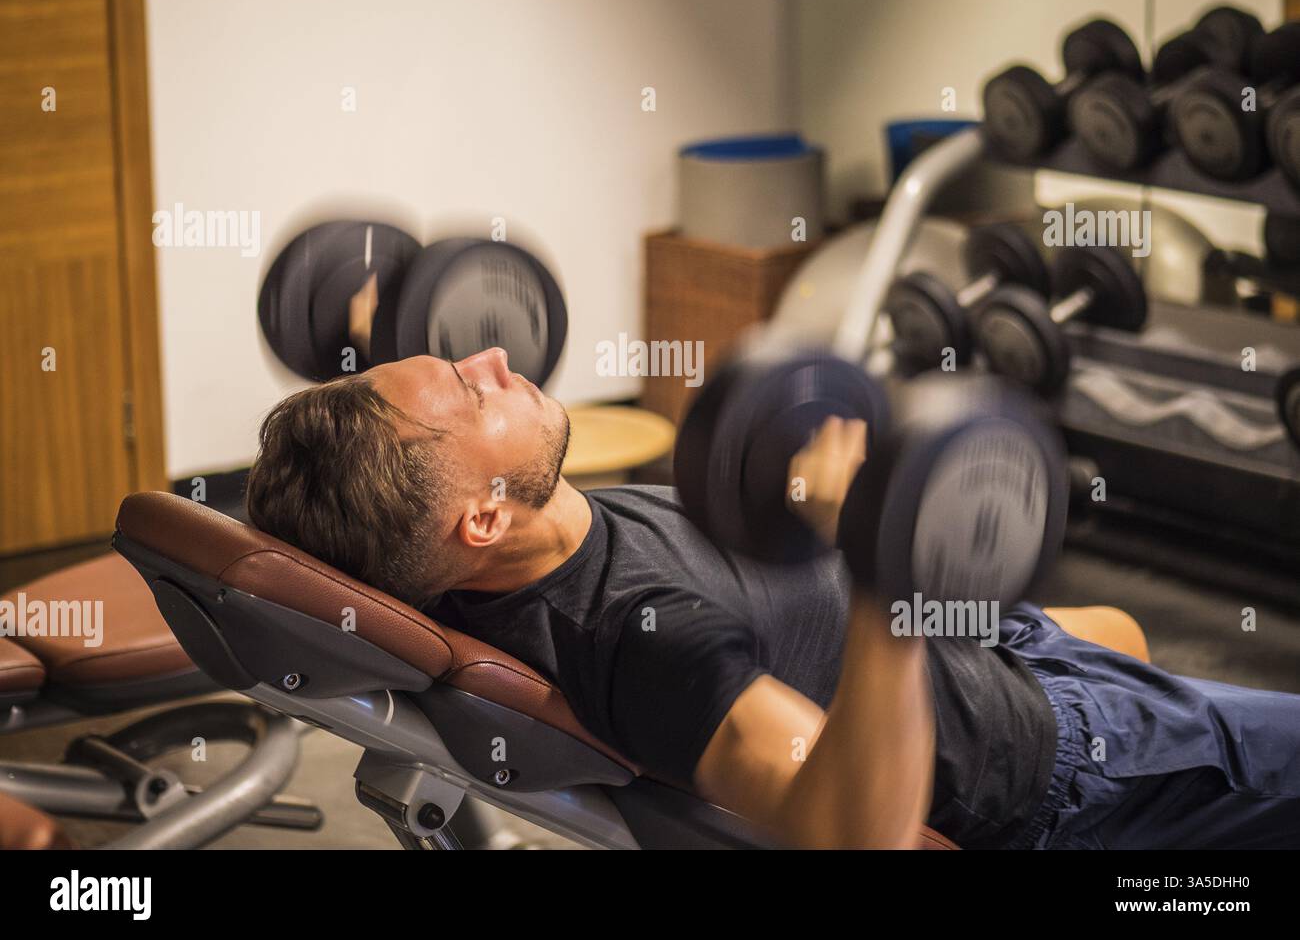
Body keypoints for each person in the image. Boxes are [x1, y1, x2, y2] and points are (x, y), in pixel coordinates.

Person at [245, 349, 1300, 849]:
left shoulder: (528, 542)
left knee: (1120, 627)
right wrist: (885, 570)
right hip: (1059, 758)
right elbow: (852, 836)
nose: (494, 356)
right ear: (480, 519)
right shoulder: (642, 641)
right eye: (469, 389)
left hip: (1002, 659)